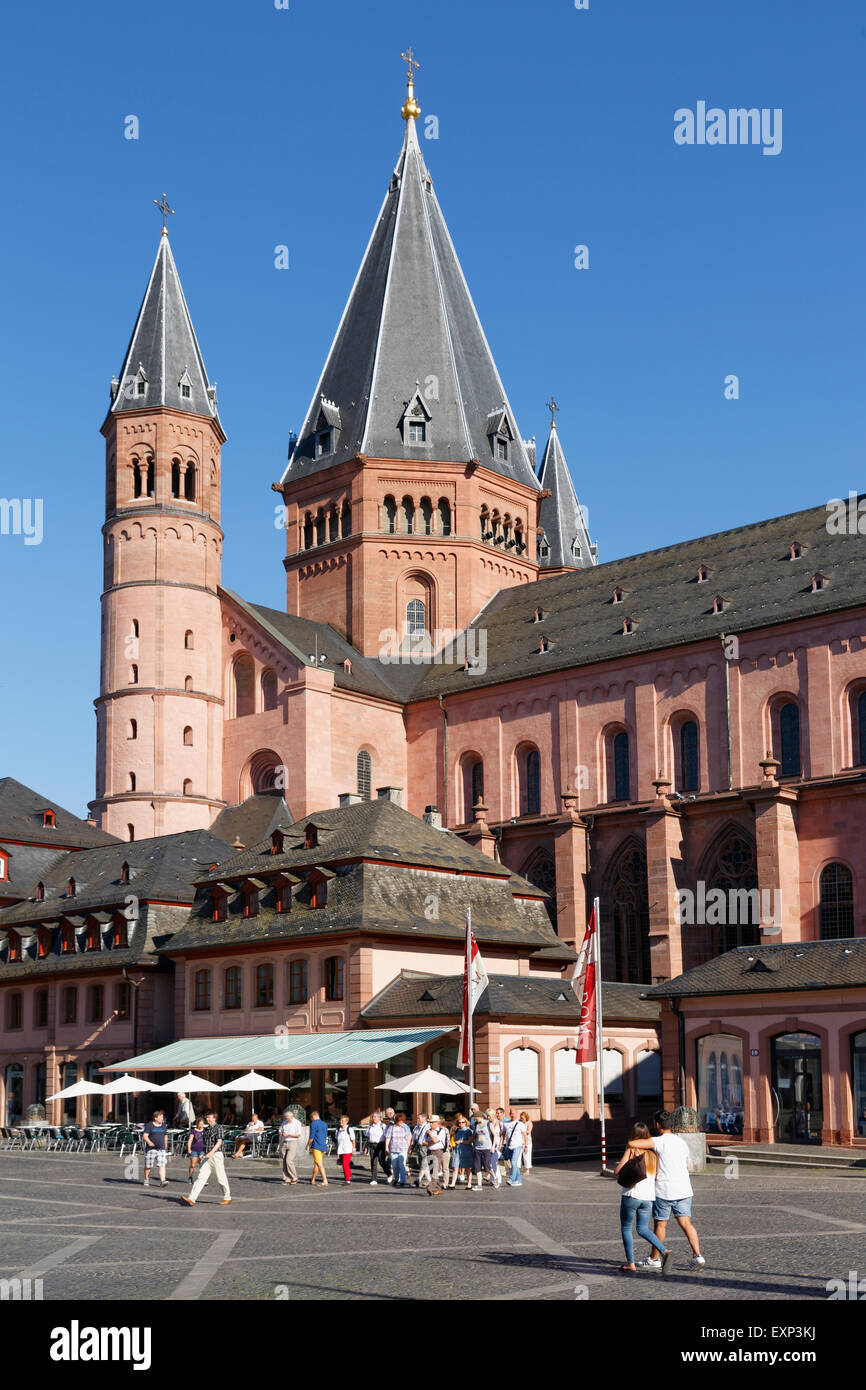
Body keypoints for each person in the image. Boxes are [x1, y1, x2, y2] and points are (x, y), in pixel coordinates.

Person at [628, 1109, 705, 1270]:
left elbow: (633, 1143)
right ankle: (697, 1255)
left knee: (660, 1225)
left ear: (657, 1125)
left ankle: (655, 1258)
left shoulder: (659, 1141)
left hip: (665, 1189)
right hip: (684, 1188)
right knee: (686, 1222)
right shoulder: (681, 1142)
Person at [614, 1122, 671, 1274]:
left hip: (631, 1194)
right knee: (643, 1228)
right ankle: (664, 1251)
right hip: (648, 1198)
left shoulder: (632, 1149)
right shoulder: (653, 1154)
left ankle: (630, 1263)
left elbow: (617, 1171)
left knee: (626, 1228)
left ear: (633, 1135)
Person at [182, 1112, 231, 1206]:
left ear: (214, 1119)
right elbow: (203, 1143)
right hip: (206, 1156)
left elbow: (219, 1142)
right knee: (201, 1177)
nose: (207, 1119)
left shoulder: (219, 1128)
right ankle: (192, 1198)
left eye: (209, 1117)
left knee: (221, 1177)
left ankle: (227, 1198)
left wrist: (211, 1152)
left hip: (216, 1155)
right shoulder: (206, 1129)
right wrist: (202, 1153)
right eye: (207, 1117)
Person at [143, 1109, 169, 1188]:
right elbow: (145, 1135)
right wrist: (149, 1142)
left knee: (162, 1165)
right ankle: (146, 1179)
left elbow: (165, 1136)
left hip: (161, 1149)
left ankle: (162, 1181)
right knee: (148, 1166)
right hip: (151, 1149)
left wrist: (166, 1144)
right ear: (155, 1118)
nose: (162, 1118)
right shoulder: (149, 1125)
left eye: (163, 1117)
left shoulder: (164, 1125)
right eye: (161, 1117)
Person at [384, 1111, 410, 1186]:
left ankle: (402, 1180)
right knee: (394, 1165)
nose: (401, 1122)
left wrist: (409, 1148)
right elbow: (388, 1137)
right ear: (396, 1120)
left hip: (403, 1148)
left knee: (402, 1165)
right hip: (393, 1148)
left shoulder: (405, 1127)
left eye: (402, 1120)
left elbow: (408, 1138)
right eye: (399, 1121)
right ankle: (396, 1178)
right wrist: (386, 1147)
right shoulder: (391, 1127)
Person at [424, 1115, 449, 1194]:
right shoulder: (428, 1131)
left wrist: (431, 1136)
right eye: (429, 1123)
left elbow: (435, 1140)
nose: (430, 1124)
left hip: (438, 1151)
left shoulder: (442, 1130)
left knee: (435, 1170)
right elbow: (424, 1142)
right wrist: (430, 1141)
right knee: (432, 1171)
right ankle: (438, 1188)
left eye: (432, 1122)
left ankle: (431, 1187)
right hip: (429, 1151)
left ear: (437, 1123)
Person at [471, 1111, 496, 1189]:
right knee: (477, 1167)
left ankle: (495, 1178)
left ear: (481, 1117)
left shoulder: (488, 1124)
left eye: (476, 1118)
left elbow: (495, 1135)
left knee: (487, 1166)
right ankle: (479, 1185)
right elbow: (474, 1135)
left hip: (487, 1148)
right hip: (478, 1148)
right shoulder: (476, 1125)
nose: (475, 1120)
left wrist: (493, 1146)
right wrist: (474, 1143)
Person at [279, 1109, 303, 1185]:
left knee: (289, 1160)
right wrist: (281, 1133)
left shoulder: (297, 1123)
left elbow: (298, 1135)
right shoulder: (284, 1122)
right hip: (285, 1142)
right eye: (285, 1117)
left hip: (293, 1142)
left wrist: (288, 1134)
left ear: (291, 1116)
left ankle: (294, 1177)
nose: (286, 1119)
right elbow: (280, 1130)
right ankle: (287, 1179)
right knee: (284, 1161)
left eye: (287, 1117)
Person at [503, 1108, 526, 1186]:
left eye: (514, 1113)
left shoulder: (520, 1124)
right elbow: (503, 1134)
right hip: (509, 1146)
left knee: (513, 1162)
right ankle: (519, 1180)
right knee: (514, 1164)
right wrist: (502, 1144)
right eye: (511, 1113)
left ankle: (511, 1178)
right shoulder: (506, 1123)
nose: (512, 1115)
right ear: (509, 1114)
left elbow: (525, 1135)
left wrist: (526, 1146)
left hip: (518, 1146)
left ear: (516, 1114)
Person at [451, 1115, 474, 1189]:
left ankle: (469, 1184)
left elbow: (470, 1141)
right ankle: (452, 1184)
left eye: (462, 1122)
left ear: (465, 1122)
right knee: (455, 1167)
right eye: (459, 1122)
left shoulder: (468, 1130)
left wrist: (461, 1141)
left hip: (466, 1151)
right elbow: (452, 1136)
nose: (461, 1124)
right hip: (457, 1150)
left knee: (467, 1168)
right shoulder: (457, 1130)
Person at [307, 1110, 329, 1187]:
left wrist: (307, 1145)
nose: (311, 1120)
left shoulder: (313, 1124)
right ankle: (313, 1179)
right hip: (323, 1145)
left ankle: (325, 1180)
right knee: (317, 1164)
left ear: (313, 1116)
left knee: (319, 1164)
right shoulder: (325, 1124)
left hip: (316, 1146)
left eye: (311, 1118)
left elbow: (311, 1137)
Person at [366, 1110, 386, 1184]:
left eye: (374, 1117)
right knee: (373, 1162)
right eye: (372, 1117)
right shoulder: (370, 1126)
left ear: (379, 1118)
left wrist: (387, 1147)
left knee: (382, 1162)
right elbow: (368, 1137)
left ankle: (389, 1173)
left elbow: (387, 1137)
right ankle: (374, 1179)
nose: (373, 1118)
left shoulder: (383, 1126)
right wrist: (366, 1147)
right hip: (372, 1145)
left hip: (380, 1145)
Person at [411, 1113, 431, 1188]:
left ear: (424, 1118)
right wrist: (411, 1147)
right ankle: (430, 1180)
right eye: (417, 1118)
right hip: (419, 1147)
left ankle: (418, 1179)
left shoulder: (428, 1126)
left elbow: (431, 1138)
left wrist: (426, 1143)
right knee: (423, 1164)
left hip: (425, 1147)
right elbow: (413, 1137)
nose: (417, 1120)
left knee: (423, 1163)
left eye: (419, 1118)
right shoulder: (417, 1127)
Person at [335, 1115, 356, 1183]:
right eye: (340, 1120)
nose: (341, 1122)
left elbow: (353, 1140)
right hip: (341, 1150)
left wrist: (353, 1149)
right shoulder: (338, 1129)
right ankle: (349, 1174)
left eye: (343, 1121)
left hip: (348, 1149)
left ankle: (347, 1180)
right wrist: (336, 1149)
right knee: (344, 1164)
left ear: (347, 1122)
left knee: (345, 1164)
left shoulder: (349, 1129)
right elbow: (337, 1140)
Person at [186, 1115, 205, 1184]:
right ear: (197, 1124)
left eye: (202, 1124)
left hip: (202, 1150)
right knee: (192, 1165)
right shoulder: (193, 1131)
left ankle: (202, 1179)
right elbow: (190, 1140)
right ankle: (190, 1177)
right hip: (194, 1150)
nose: (201, 1125)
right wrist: (189, 1149)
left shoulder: (205, 1131)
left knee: (202, 1164)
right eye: (200, 1124)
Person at [487, 1110, 503, 1188]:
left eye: (489, 1116)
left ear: (493, 1115)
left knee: (494, 1162)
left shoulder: (499, 1123)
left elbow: (503, 1134)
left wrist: (501, 1144)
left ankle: (494, 1179)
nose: (488, 1117)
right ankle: (497, 1179)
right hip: (491, 1145)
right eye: (487, 1116)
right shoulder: (488, 1123)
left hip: (497, 1146)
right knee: (494, 1162)